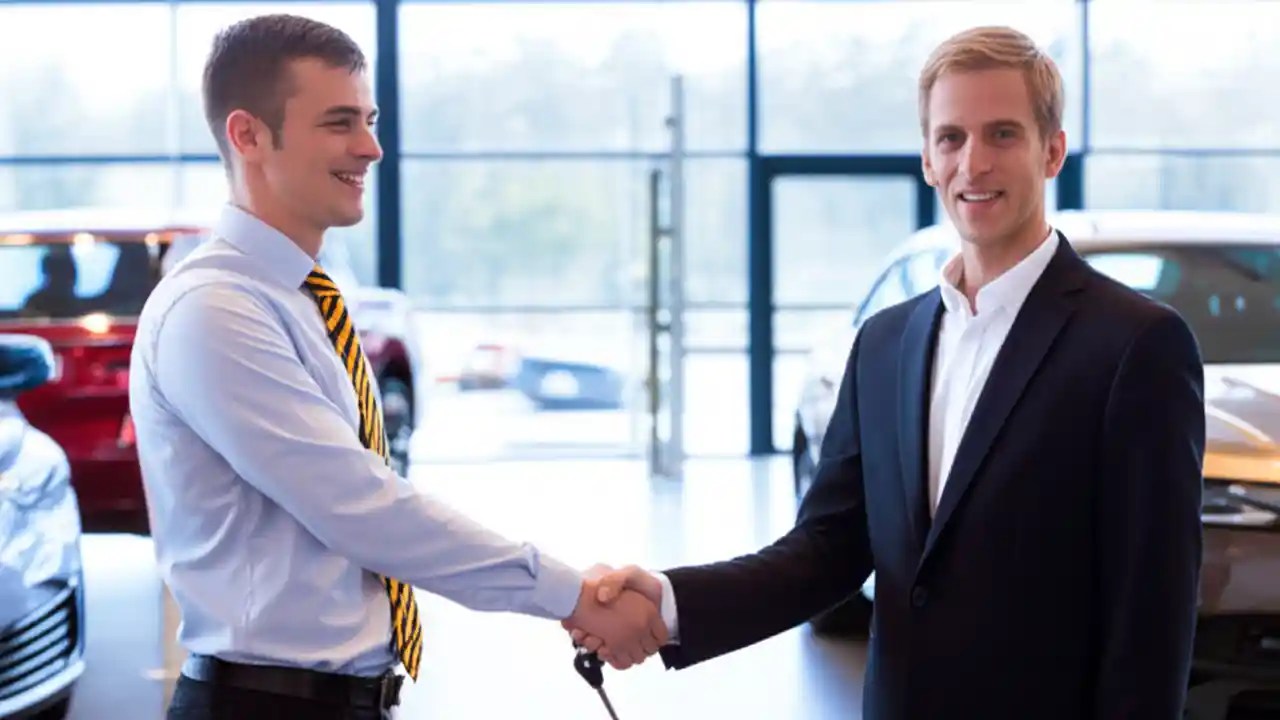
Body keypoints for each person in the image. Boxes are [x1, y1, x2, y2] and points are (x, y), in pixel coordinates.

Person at [568, 25, 1206, 720]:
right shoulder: (884, 343)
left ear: (1051, 151)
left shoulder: (1135, 346)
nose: (973, 164)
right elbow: (826, 552)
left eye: (1002, 135)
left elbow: (1151, 612)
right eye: (951, 138)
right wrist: (666, 599)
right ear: (928, 160)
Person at [128, 14, 664, 720]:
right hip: (261, 705)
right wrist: (568, 592)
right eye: (340, 122)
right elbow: (359, 507)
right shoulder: (215, 309)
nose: (371, 147)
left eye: (370, 118)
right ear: (248, 135)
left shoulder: (300, 299)